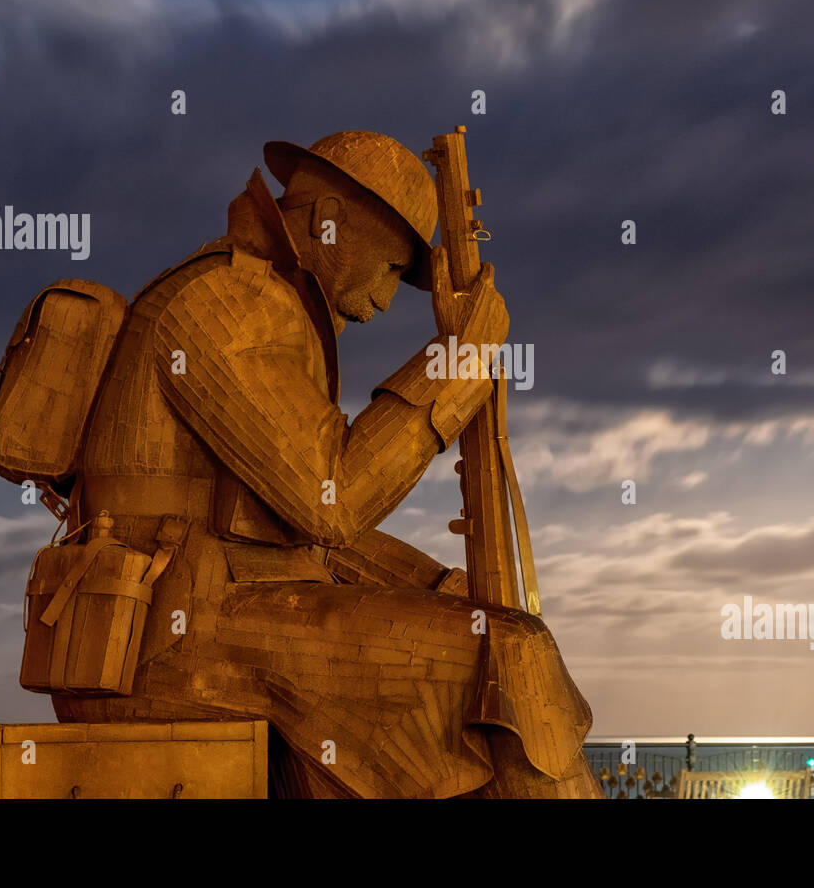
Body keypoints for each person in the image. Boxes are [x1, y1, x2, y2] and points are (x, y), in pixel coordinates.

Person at [53, 131, 600, 798]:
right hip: (158, 643)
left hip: (197, 615)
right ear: (326, 221)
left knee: (485, 628)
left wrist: (430, 584)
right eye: (393, 268)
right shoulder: (225, 302)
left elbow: (279, 531)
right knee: (511, 657)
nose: (389, 297)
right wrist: (453, 364)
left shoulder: (262, 302)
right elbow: (330, 501)